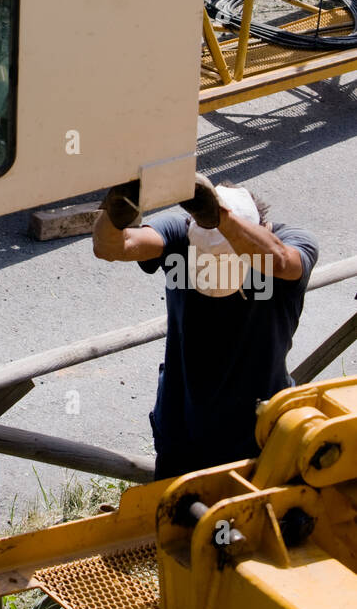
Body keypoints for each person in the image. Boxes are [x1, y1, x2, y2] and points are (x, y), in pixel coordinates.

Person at [92, 175, 319, 480]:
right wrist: (114, 215)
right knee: (178, 522)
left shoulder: (292, 242)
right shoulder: (182, 233)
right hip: (181, 428)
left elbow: (281, 261)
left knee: (255, 524)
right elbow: (113, 247)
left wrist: (219, 220)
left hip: (261, 433)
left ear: (262, 228)